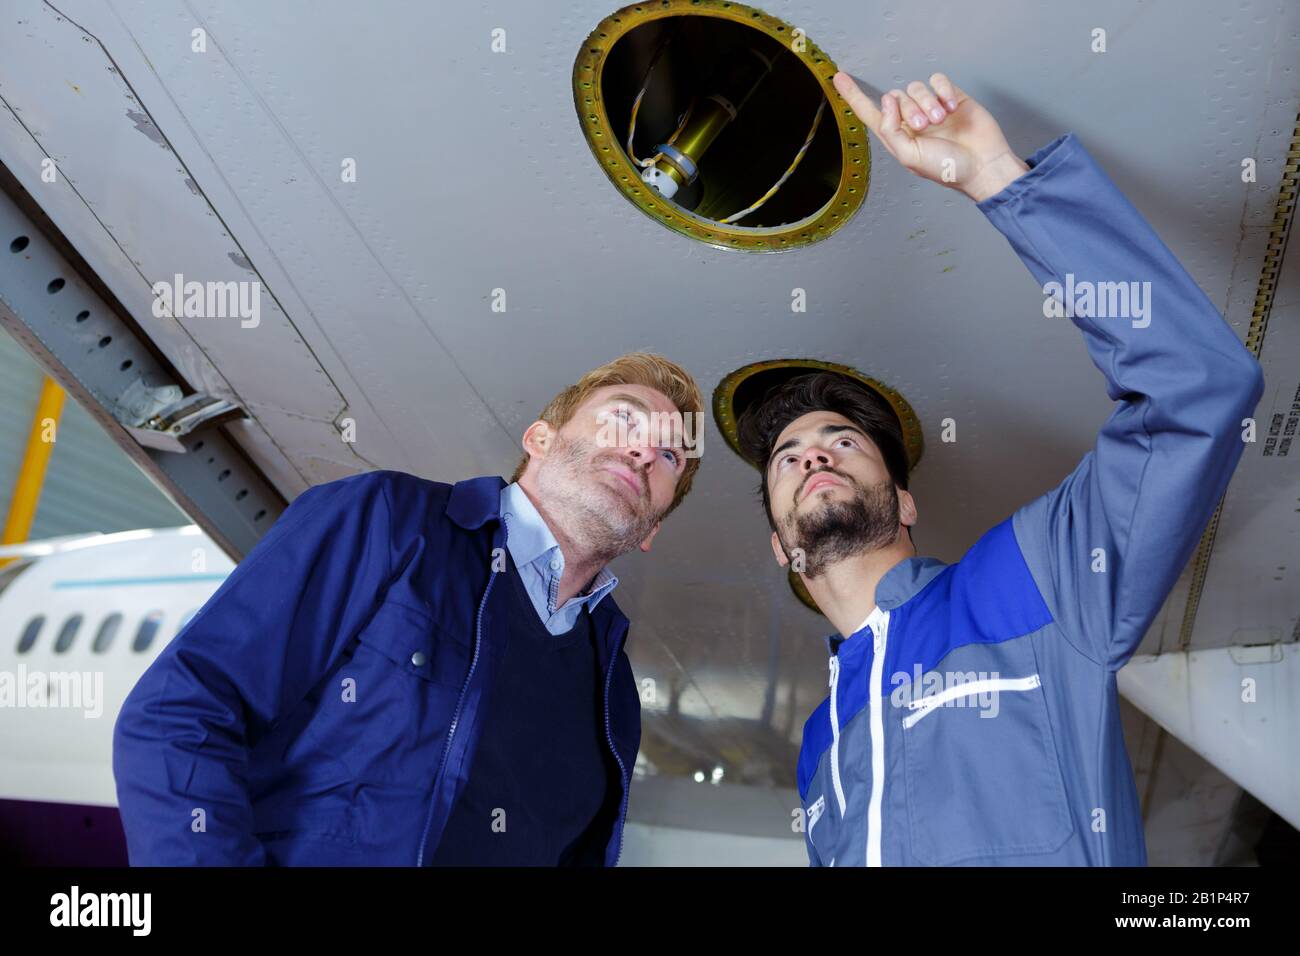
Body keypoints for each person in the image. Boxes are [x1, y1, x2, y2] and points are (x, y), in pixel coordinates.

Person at [734, 72, 1265, 866]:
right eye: (787, 457)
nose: (813, 452)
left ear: (905, 503)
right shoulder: (820, 744)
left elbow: (1196, 388)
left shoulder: (1030, 580)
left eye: (844, 441)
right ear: (780, 546)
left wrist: (997, 182)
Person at [113, 352, 704, 866]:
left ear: (651, 528)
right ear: (540, 439)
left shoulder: (613, 692)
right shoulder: (388, 521)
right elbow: (179, 711)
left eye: (672, 457)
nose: (644, 450)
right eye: (622, 418)